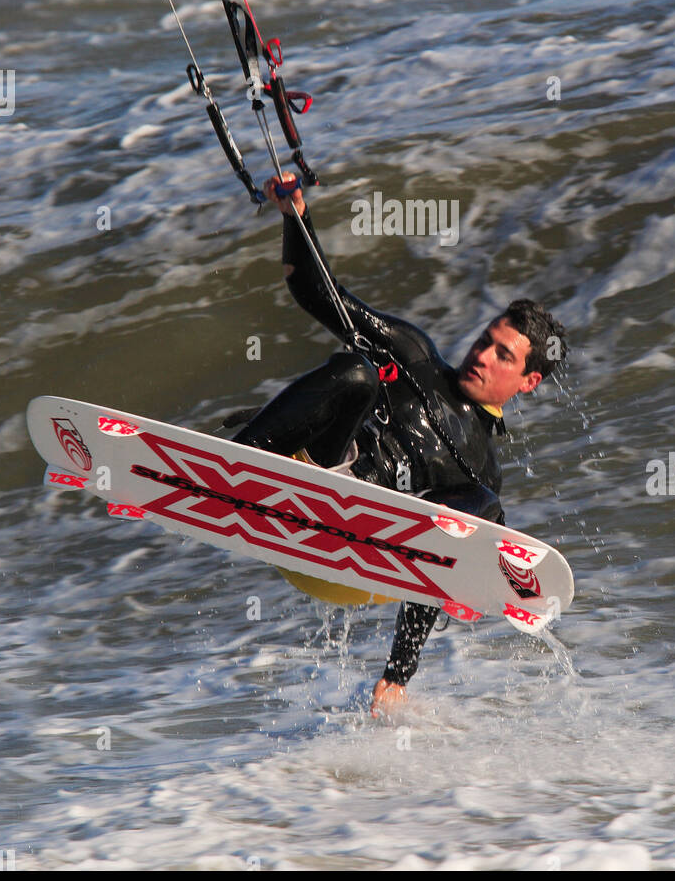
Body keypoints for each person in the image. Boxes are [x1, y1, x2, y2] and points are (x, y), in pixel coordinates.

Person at [228, 173, 567, 717]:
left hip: (355, 559)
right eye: (486, 340)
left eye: (504, 355)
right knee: (358, 373)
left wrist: (398, 673)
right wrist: (296, 216)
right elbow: (320, 295)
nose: (482, 356)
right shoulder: (413, 355)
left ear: (528, 381)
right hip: (308, 489)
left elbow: (442, 570)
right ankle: (231, 469)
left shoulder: (481, 470)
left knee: (486, 509)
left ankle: (298, 494)